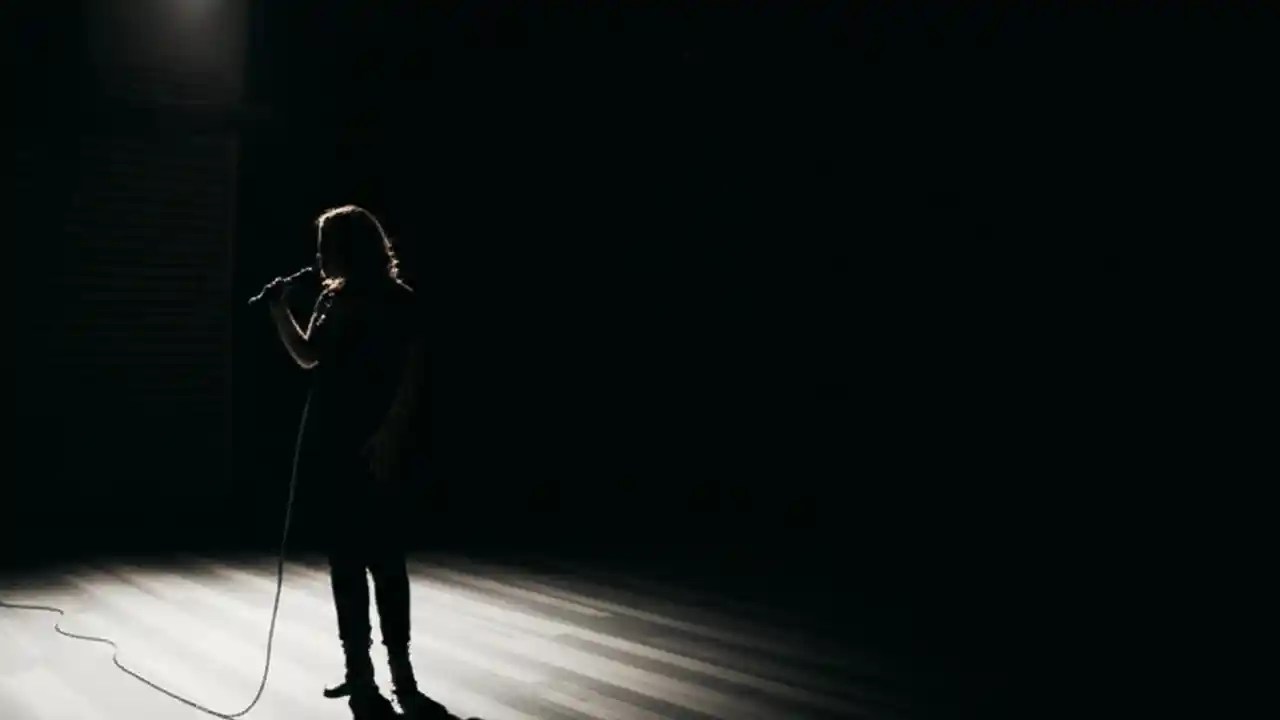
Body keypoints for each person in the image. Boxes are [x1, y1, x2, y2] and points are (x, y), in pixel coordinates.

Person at [264, 205, 434, 720]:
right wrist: (279, 312)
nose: (318, 256)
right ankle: (359, 670)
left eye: (325, 245)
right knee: (344, 562)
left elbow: (412, 375)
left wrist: (389, 436)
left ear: (349, 246)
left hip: (377, 441)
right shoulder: (330, 299)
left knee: (384, 560)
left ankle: (401, 671)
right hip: (334, 439)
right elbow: (310, 357)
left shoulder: (396, 300)